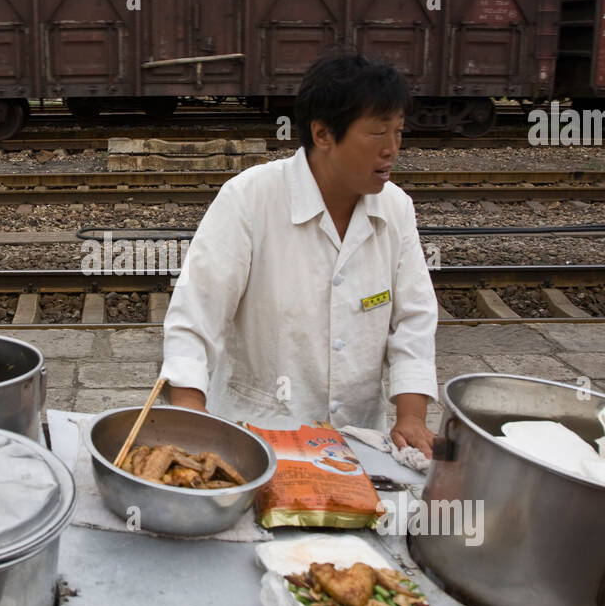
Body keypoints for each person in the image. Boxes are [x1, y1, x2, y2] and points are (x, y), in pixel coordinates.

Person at [159, 52, 438, 456]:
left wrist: (411, 416)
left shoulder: (396, 208)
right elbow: (196, 315)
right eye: (378, 134)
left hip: (357, 442)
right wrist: (190, 413)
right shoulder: (250, 198)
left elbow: (413, 318)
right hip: (257, 437)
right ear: (323, 134)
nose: (392, 149)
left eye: (398, 132)